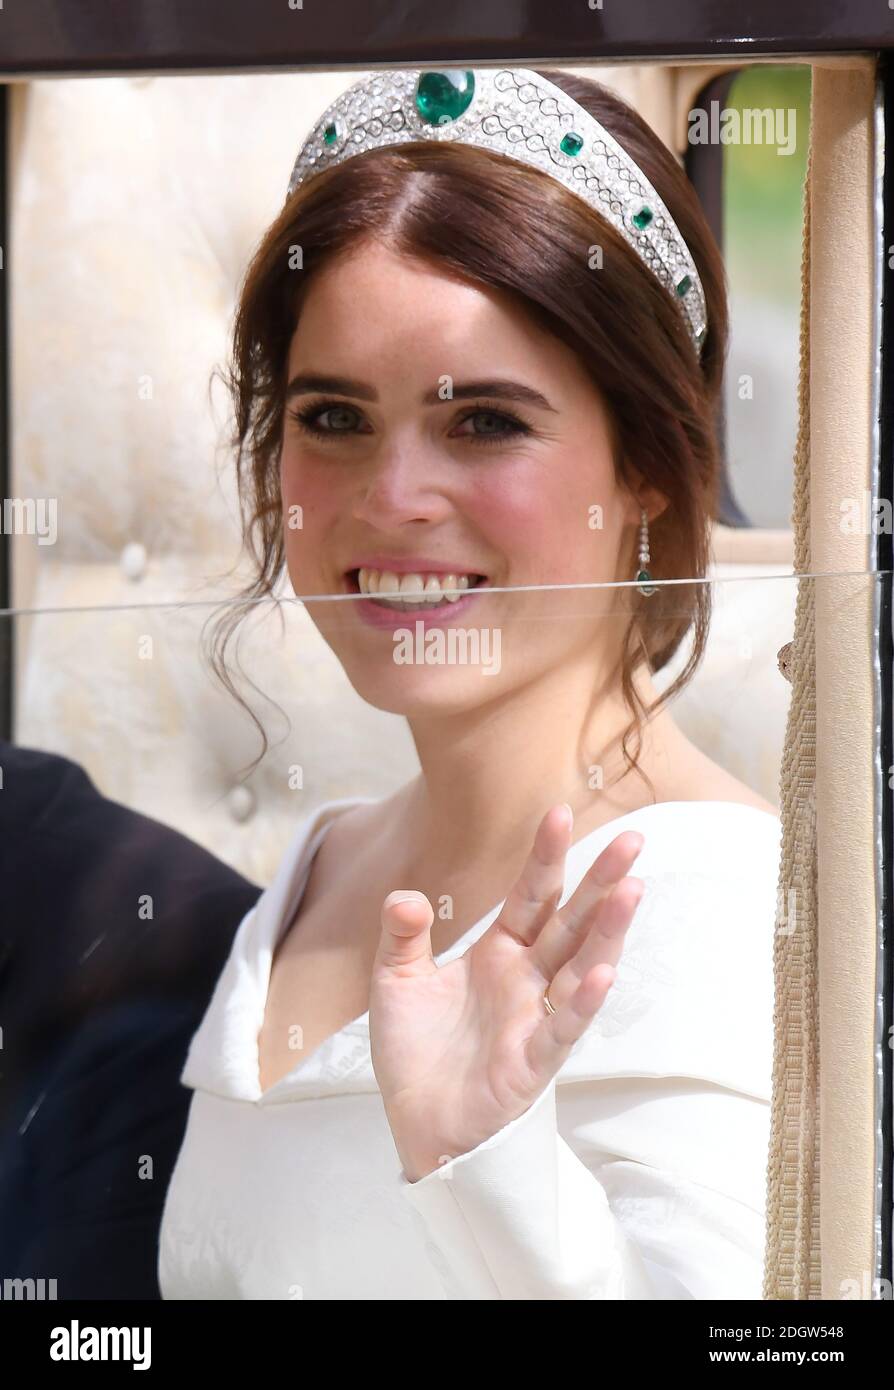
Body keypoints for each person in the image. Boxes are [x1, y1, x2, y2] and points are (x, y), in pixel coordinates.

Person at [158, 66, 782, 1300]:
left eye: (485, 422)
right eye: (333, 416)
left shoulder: (720, 908)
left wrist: (474, 1156)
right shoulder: (317, 873)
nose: (393, 502)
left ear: (651, 466)